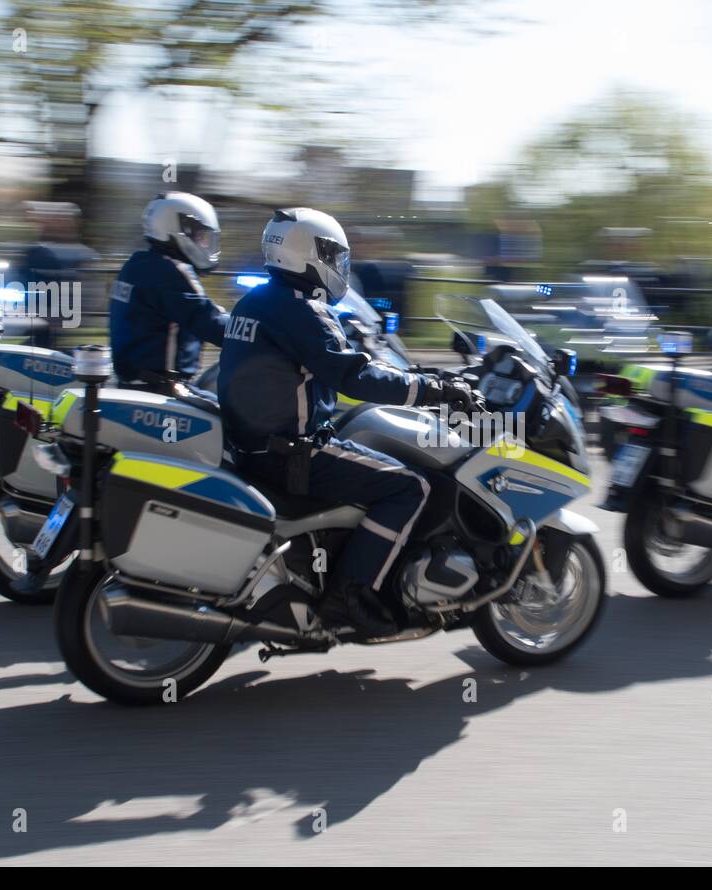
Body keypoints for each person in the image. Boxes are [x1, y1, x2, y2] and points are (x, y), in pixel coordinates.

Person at [218, 207, 475, 637]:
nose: (339, 267)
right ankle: (352, 593)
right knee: (411, 486)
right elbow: (356, 376)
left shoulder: (256, 300)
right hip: (295, 456)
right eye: (333, 256)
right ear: (308, 254)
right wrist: (434, 389)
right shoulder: (303, 309)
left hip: (252, 449)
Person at [108, 192, 228, 388]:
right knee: (229, 415)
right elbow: (211, 324)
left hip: (131, 383)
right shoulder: (172, 271)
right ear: (181, 230)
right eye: (199, 235)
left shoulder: (134, 265)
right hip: (164, 388)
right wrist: (255, 329)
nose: (203, 243)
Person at [19, 201, 97, 350]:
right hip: (43, 319)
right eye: (58, 220)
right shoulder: (38, 252)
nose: (60, 225)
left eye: (65, 220)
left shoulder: (85, 255)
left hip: (68, 323)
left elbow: (91, 293)